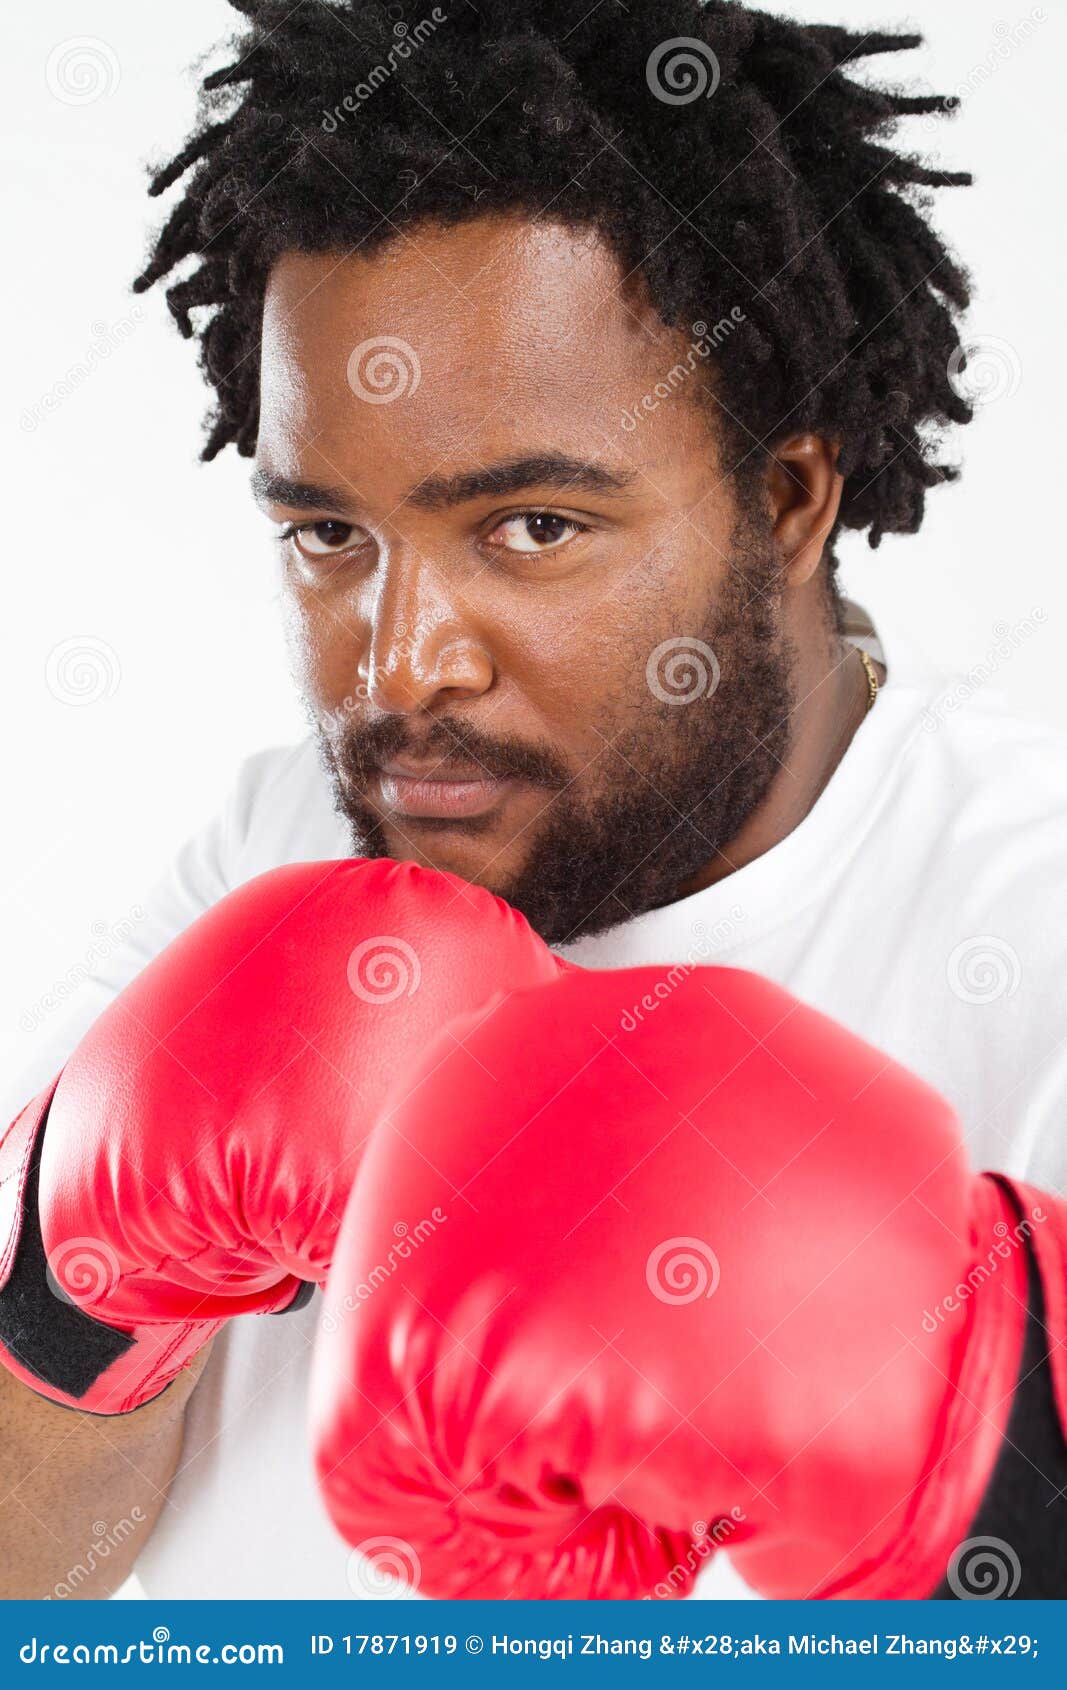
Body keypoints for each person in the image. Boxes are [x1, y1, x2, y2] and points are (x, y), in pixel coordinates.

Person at [2, 0, 1064, 1600]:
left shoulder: (1029, 932)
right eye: (329, 537)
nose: (398, 667)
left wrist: (989, 1473)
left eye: (534, 528)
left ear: (787, 497)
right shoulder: (271, 846)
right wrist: (67, 1301)